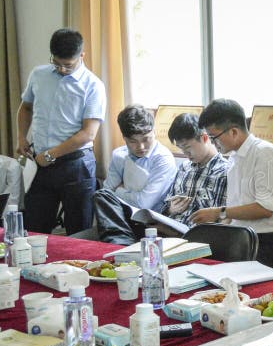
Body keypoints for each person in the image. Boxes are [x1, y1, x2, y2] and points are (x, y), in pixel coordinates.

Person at [16, 28, 106, 234]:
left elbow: (88, 133)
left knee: (78, 233)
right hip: (40, 164)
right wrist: (21, 137)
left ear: (82, 56)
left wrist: (51, 154)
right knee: (33, 229)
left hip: (76, 164)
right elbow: (26, 107)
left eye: (68, 65)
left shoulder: (93, 86)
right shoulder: (38, 74)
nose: (62, 69)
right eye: (56, 63)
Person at [190, 99, 273, 270]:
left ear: (234, 132)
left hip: (268, 243)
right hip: (240, 237)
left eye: (214, 137)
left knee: (226, 278)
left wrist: (218, 212)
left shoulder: (264, 153)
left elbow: (265, 209)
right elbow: (236, 208)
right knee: (199, 266)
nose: (213, 143)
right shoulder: (234, 157)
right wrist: (217, 225)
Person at [94, 105, 177, 244]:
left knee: (110, 205)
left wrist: (119, 190)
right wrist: (117, 194)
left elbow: (144, 203)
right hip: (122, 214)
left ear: (154, 132)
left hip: (150, 220)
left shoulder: (163, 159)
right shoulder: (119, 155)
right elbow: (107, 192)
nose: (141, 147)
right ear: (124, 138)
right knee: (100, 195)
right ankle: (120, 241)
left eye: (146, 139)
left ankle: (120, 243)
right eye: (133, 141)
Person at [159, 113, 229, 236]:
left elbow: (224, 219)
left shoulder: (224, 172)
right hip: (169, 233)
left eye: (187, 147)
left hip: (199, 239)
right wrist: (170, 209)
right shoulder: (184, 167)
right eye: (181, 148)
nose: (185, 153)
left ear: (205, 138)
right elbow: (167, 205)